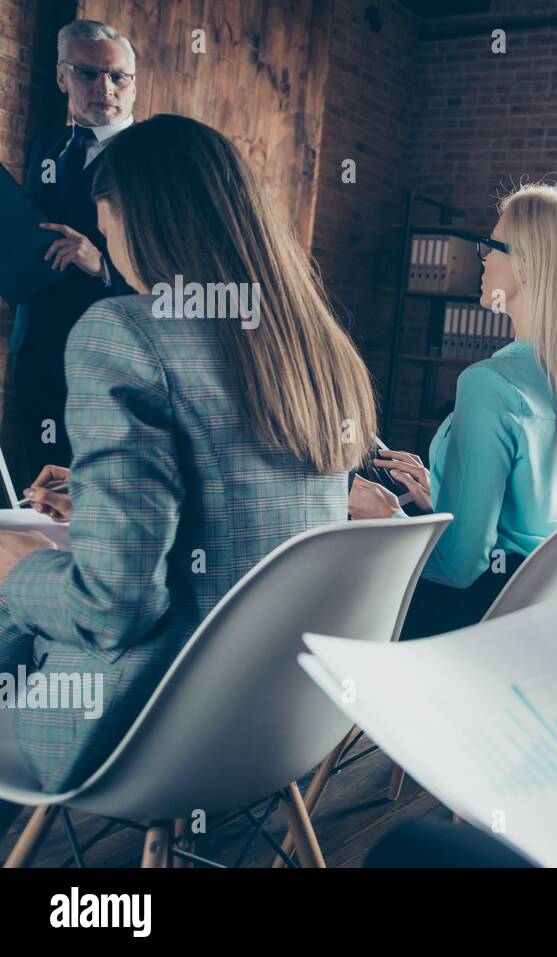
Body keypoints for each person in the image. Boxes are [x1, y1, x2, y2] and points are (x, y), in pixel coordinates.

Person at [0, 115, 376, 801]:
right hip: (283, 716)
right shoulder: (314, 349)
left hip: (141, 726)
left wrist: (22, 566)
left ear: (142, 221)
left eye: (108, 233)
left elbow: (113, 610)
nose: (111, 258)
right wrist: (100, 498)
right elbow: (239, 501)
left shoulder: (122, 334)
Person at [353, 184, 557, 638]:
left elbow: (457, 568)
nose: (483, 258)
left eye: (492, 245)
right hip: (527, 623)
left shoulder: (488, 384)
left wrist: (389, 518)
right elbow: (531, 524)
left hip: (459, 621)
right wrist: (450, 499)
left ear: (528, 263)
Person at [10, 19, 138, 484]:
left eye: (117, 75)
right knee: (40, 489)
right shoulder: (47, 146)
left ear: (133, 83)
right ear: (62, 77)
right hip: (39, 352)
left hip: (107, 360)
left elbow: (177, 274)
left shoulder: (154, 158)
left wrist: (100, 263)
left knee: (95, 497)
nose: (104, 86)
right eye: (87, 73)